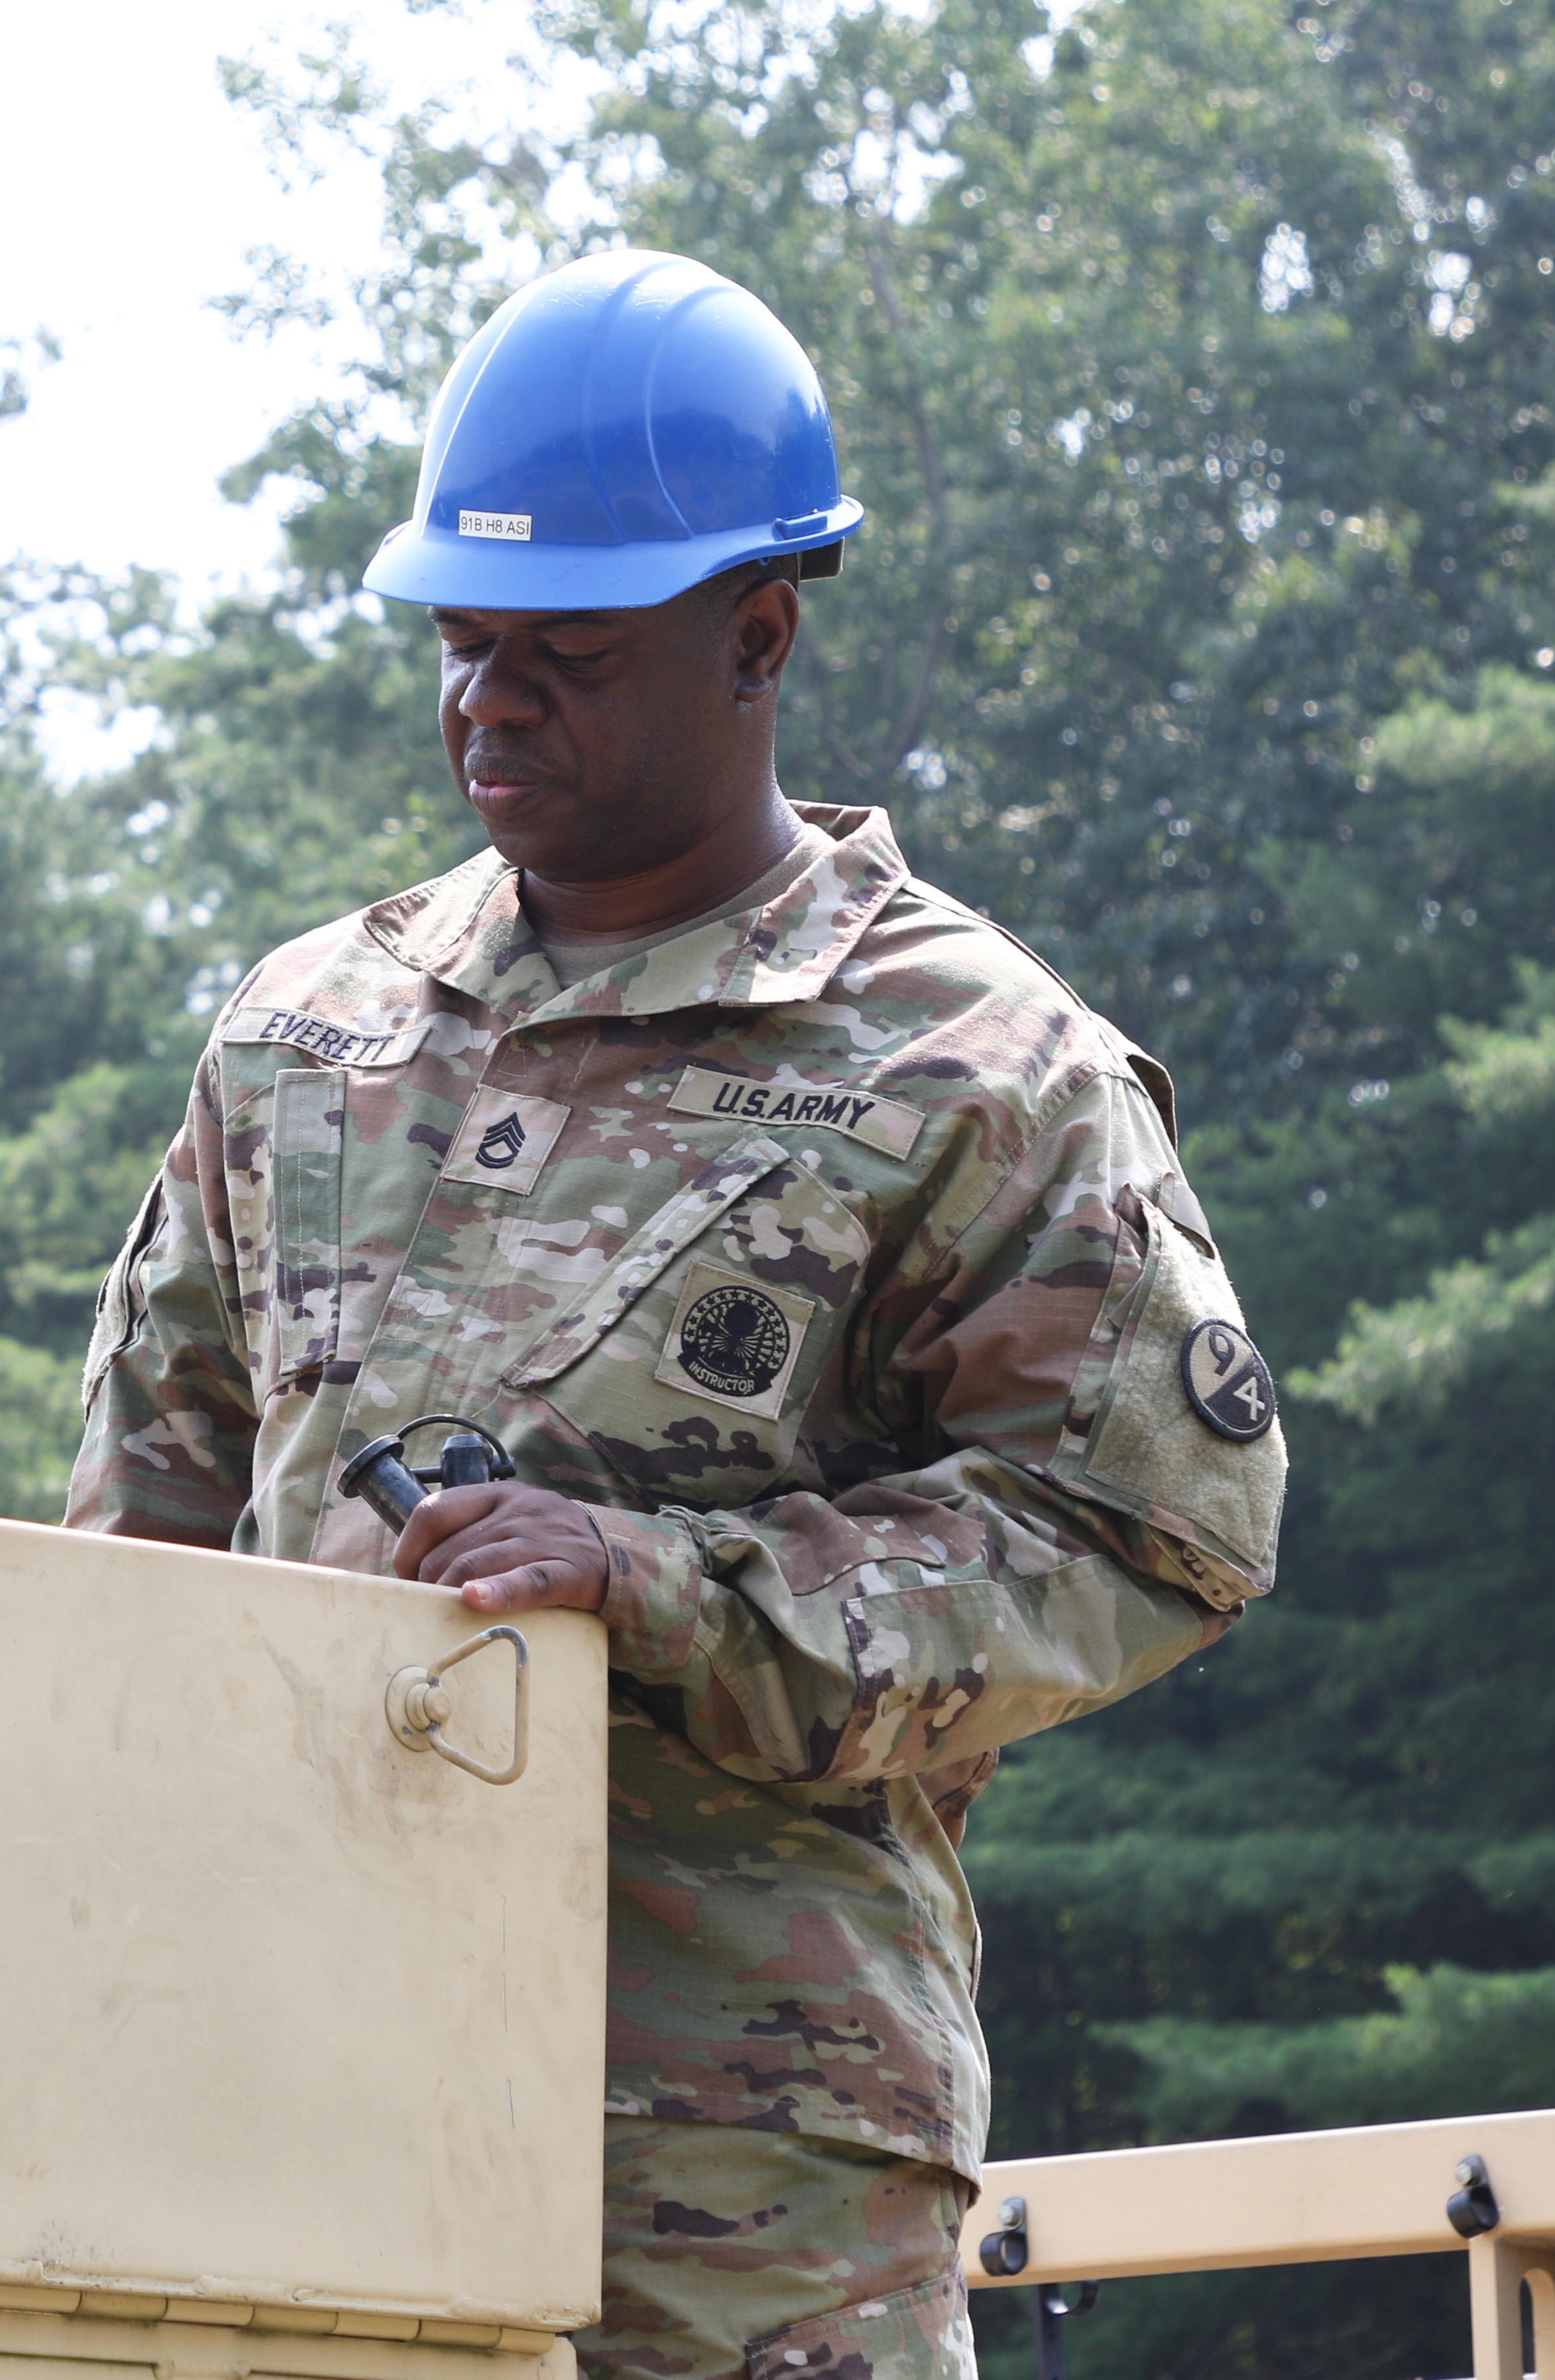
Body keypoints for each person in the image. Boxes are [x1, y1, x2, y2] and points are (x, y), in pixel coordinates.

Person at [66, 252, 1285, 2378]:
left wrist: (670, 1588)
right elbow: (130, 1557)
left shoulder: (974, 1066)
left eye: (566, 652)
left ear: (758, 636)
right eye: (461, 643)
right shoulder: (307, 1038)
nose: (490, 702)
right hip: (295, 2073)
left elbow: (1154, 1531)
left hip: (741, 2155)